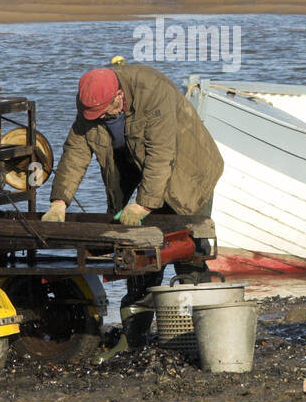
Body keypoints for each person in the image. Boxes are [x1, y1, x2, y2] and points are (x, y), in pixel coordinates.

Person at [43, 62, 224, 346]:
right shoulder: (92, 99)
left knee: (188, 256)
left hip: (188, 174)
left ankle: (197, 339)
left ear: (118, 96)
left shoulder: (153, 91)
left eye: (104, 114)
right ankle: (135, 342)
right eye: (94, 116)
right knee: (140, 264)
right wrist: (58, 201)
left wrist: (143, 205)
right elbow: (75, 151)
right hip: (140, 174)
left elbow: (161, 155)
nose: (98, 119)